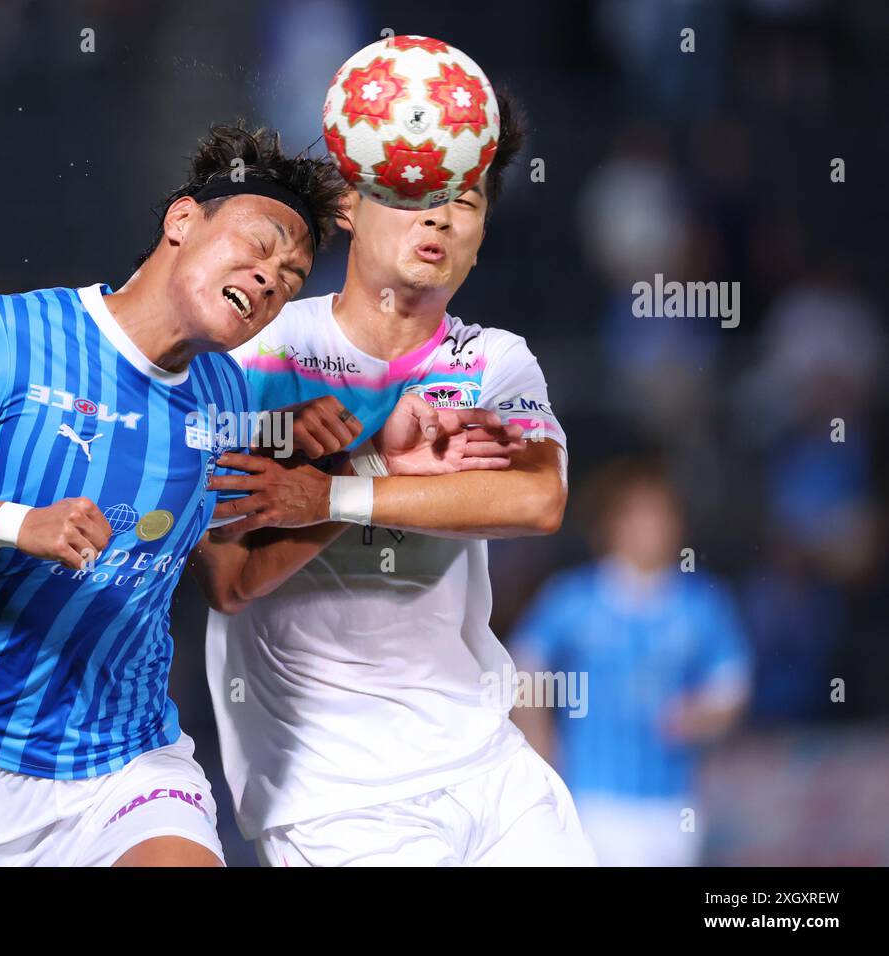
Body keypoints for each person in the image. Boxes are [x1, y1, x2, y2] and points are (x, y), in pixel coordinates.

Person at [0, 123, 351, 867]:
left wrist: (346, 493)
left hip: (132, 760)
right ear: (182, 221)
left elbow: (231, 584)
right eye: (259, 245)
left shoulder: (225, 393)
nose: (273, 279)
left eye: (293, 276)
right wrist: (17, 525)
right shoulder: (7, 333)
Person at [192, 88, 598, 866]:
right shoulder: (259, 352)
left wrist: (337, 487)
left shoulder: (494, 361)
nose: (442, 217)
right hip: (337, 795)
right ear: (349, 204)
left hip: (490, 765)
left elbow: (537, 498)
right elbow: (229, 579)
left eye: (466, 200)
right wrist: (373, 463)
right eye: (417, 194)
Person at [510, 460, 752, 866]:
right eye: (640, 515)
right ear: (611, 526)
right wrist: (540, 738)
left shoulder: (704, 603)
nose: (654, 527)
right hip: (592, 798)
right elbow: (523, 666)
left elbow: (731, 686)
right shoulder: (573, 598)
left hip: (672, 803)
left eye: (662, 514)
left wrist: (705, 714)